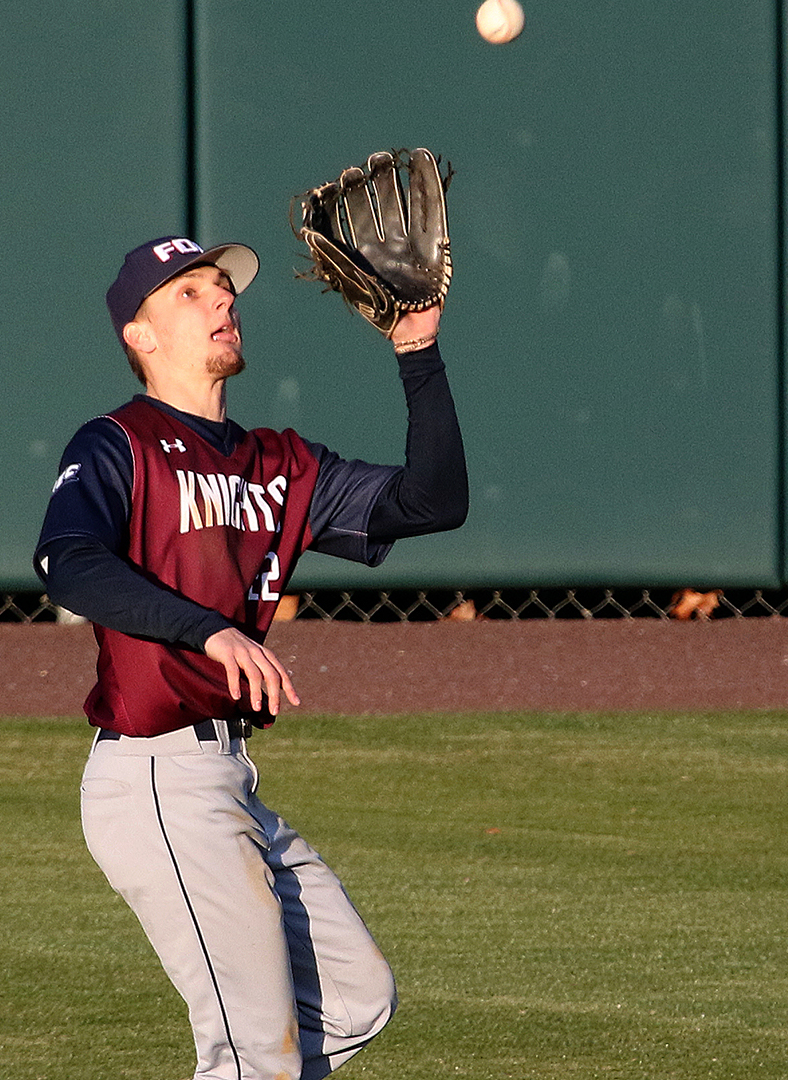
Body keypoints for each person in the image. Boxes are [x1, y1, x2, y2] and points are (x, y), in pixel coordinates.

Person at [33, 234, 467, 1080]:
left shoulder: (279, 465)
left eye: (223, 288)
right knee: (254, 1052)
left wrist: (417, 350)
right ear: (139, 335)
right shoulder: (118, 442)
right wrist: (209, 629)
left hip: (229, 782)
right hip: (157, 780)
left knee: (354, 997)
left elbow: (432, 501)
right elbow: (68, 560)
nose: (223, 300)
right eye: (190, 292)